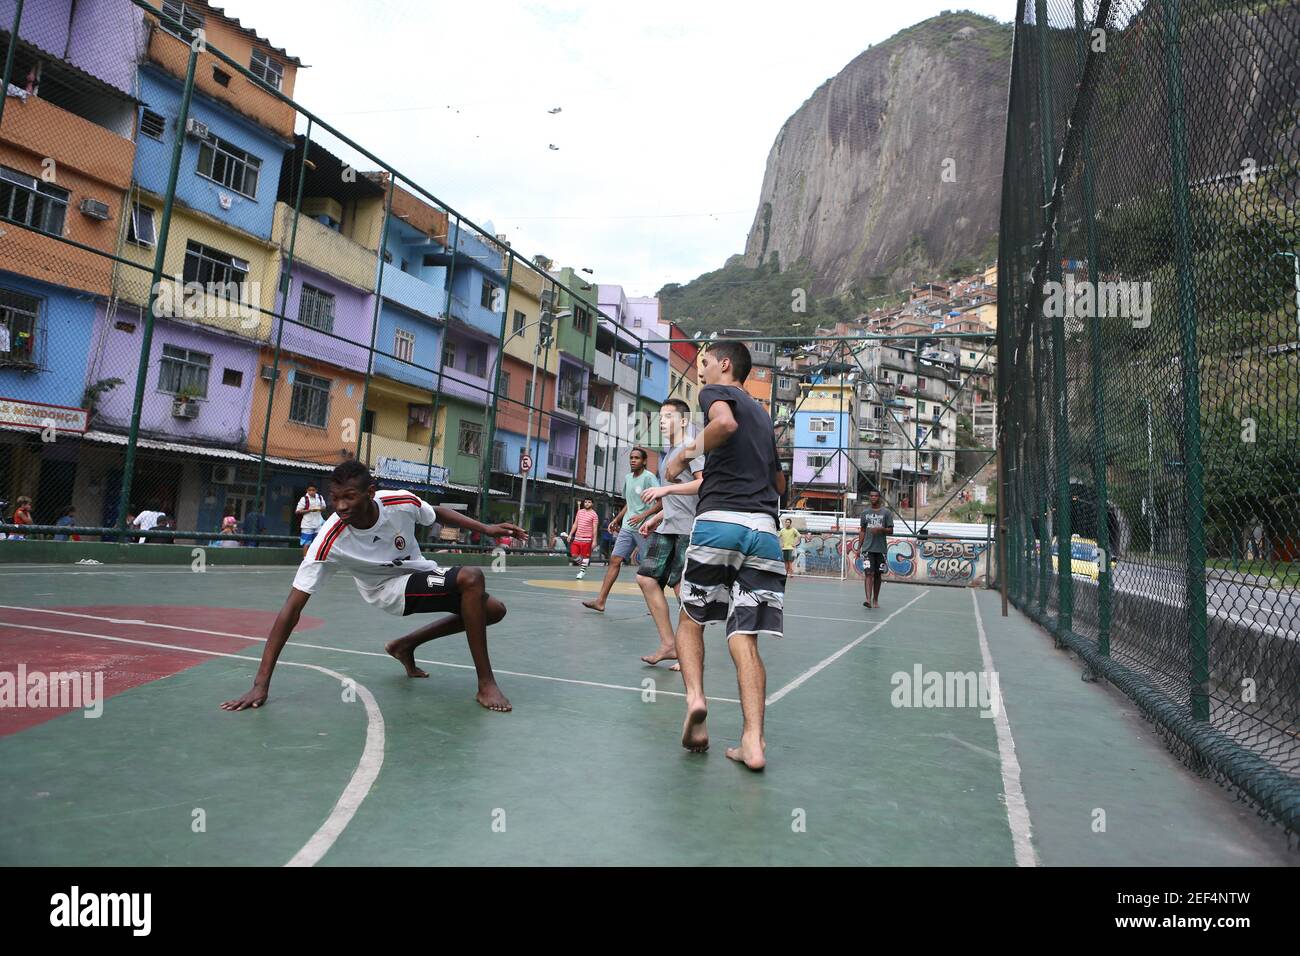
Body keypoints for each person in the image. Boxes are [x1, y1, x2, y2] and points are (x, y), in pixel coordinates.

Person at [221, 460, 527, 714]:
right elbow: (291, 609)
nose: (340, 506)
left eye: (350, 497)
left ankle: (404, 645)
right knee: (471, 578)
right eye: (335, 497)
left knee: (493, 611)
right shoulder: (329, 540)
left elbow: (436, 514)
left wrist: (486, 528)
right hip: (386, 590)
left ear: (370, 492)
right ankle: (486, 684)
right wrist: (261, 683)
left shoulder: (400, 502)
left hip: (418, 571)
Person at [666, 340, 785, 771]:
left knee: (691, 619)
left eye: (704, 364)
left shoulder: (719, 394)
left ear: (725, 364)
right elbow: (780, 482)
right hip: (765, 530)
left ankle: (696, 699)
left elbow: (724, 425)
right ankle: (752, 742)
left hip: (720, 522)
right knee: (745, 637)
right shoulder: (764, 415)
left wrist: (684, 455)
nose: (699, 372)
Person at [635, 399, 706, 667]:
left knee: (681, 590)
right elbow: (678, 498)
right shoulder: (669, 449)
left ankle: (688, 651)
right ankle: (669, 644)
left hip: (688, 529)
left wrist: (665, 491)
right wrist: (656, 517)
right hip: (668, 525)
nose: (662, 421)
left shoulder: (693, 446)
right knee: (646, 579)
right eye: (660, 417)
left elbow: (703, 484)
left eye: (668, 416)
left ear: (684, 421)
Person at [583, 448, 659, 612]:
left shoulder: (649, 478)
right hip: (626, 527)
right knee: (614, 560)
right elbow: (629, 504)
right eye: (631, 458)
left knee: (650, 568)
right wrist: (616, 519)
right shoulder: (628, 478)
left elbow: (661, 503)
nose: (633, 460)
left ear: (644, 461)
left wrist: (642, 516)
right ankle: (600, 601)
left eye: (637, 458)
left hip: (644, 528)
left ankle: (656, 606)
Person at [857, 489, 895, 609]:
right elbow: (862, 531)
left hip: (881, 549)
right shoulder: (865, 513)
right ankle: (867, 599)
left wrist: (880, 529)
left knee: (878, 574)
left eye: (875, 496)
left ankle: (875, 599)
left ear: (879, 498)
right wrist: (859, 548)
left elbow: (891, 531)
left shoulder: (886, 513)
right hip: (868, 548)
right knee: (868, 572)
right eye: (871, 496)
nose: (873, 498)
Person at [568, 498, 599, 579]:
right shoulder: (579, 512)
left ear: (592, 504)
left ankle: (582, 572)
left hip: (587, 539)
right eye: (585, 502)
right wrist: (570, 534)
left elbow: (595, 528)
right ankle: (584, 564)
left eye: (589, 502)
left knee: (585, 557)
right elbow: (575, 524)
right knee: (574, 554)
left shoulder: (594, 515)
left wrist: (594, 541)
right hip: (577, 538)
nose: (587, 504)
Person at [296, 483, 328, 555]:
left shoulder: (320, 497)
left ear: (316, 490)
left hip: (318, 523)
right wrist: (310, 510)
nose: (311, 492)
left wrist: (319, 509)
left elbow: (324, 507)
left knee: (318, 542)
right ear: (307, 490)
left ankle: (315, 559)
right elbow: (298, 511)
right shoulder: (304, 499)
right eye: (309, 490)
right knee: (306, 543)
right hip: (307, 524)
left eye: (313, 490)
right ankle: (305, 560)